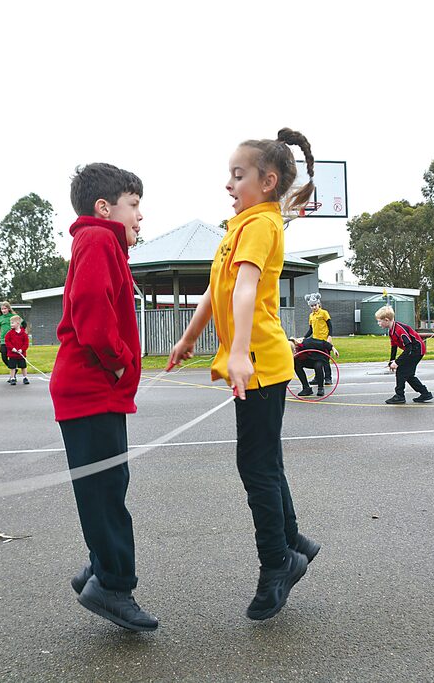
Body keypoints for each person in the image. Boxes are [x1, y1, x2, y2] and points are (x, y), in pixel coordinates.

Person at [169, 128, 320, 621]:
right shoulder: (239, 226)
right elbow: (218, 290)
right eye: (229, 175)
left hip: (259, 363)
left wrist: (237, 353)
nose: (229, 184)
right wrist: (190, 338)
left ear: (268, 181)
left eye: (238, 176)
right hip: (252, 361)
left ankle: (278, 562)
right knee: (263, 460)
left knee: (255, 466)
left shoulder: (261, 226)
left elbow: (246, 289)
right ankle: (291, 540)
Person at [50, 162, 157, 632]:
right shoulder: (97, 239)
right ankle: (113, 584)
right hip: (90, 388)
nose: (139, 216)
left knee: (105, 489)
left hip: (96, 392)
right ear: (104, 207)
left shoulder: (102, 242)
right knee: (106, 493)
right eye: (133, 205)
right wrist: (117, 360)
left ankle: (98, 568)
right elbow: (90, 307)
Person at [377, 305, 433, 405]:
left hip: (416, 350)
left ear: (386, 320)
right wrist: (391, 360)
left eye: (379, 321)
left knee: (401, 372)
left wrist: (397, 362)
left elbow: (409, 347)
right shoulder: (391, 331)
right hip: (412, 350)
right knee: (408, 374)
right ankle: (425, 393)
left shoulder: (399, 329)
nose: (378, 323)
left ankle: (400, 396)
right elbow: (394, 346)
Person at [0, 301, 18, 383]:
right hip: (3, 341)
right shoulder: (0, 319)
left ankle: (13, 377)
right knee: (4, 357)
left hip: (13, 341)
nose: (4, 310)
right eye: (2, 309)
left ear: (8, 309)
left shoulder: (14, 316)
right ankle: (14, 369)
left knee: (12, 358)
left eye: (5, 308)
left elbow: (23, 324)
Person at [4, 317, 30, 385]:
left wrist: (22, 349)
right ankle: (12, 378)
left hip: (21, 354)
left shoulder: (23, 333)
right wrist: (12, 348)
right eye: (10, 323)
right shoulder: (9, 333)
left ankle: (25, 377)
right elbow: (7, 341)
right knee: (12, 367)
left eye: (12, 323)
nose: (11, 324)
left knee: (23, 366)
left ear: (18, 323)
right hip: (12, 354)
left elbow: (26, 343)